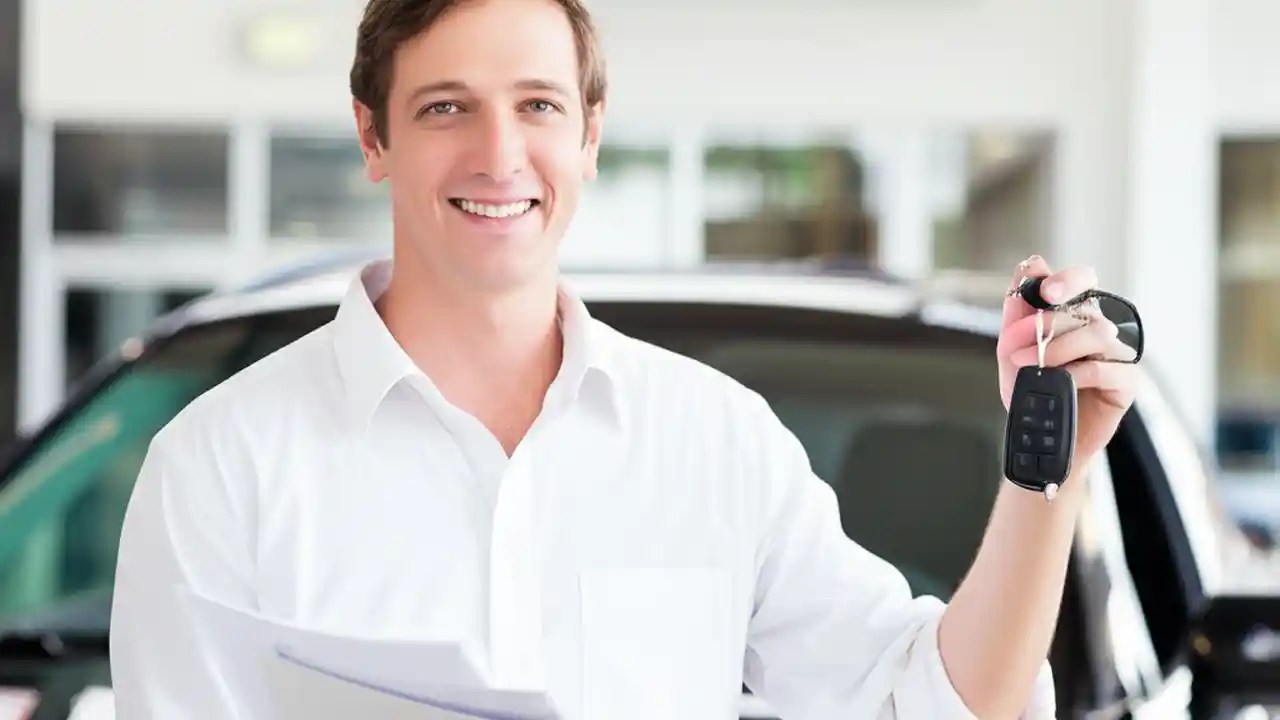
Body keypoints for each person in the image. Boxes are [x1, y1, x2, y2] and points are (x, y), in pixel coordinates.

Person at [108, 0, 1138, 717]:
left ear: (589, 135)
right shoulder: (221, 465)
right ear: (373, 138)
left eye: (538, 105)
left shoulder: (716, 443)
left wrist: (1049, 472)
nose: (498, 155)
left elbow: (933, 705)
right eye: (445, 106)